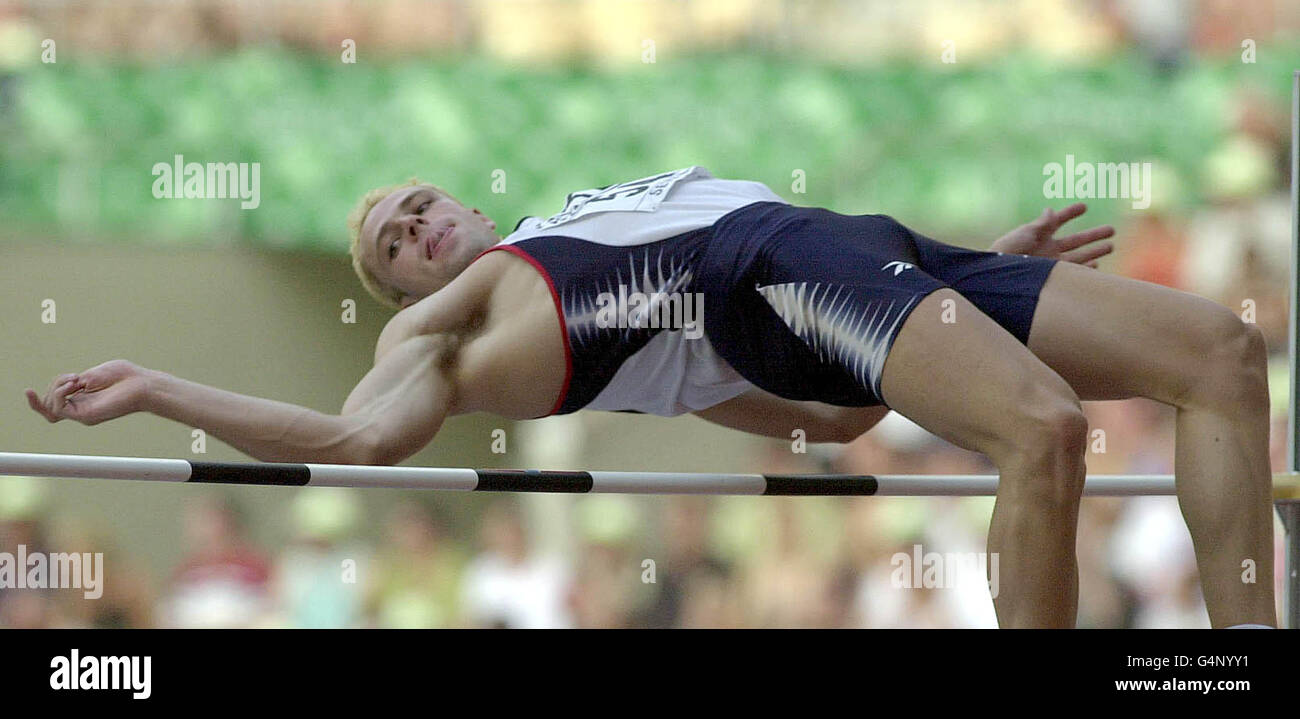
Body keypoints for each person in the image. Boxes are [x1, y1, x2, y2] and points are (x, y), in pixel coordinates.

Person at [26, 166, 1275, 629]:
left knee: (1219, 352)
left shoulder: (572, 231)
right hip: (769, 270)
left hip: (855, 252)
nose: (417, 229)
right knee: (1044, 427)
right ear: (399, 289)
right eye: (394, 243)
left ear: (461, 196)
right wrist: (155, 387)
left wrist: (965, 278)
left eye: (418, 204)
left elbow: (835, 415)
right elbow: (353, 437)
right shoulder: (452, 322)